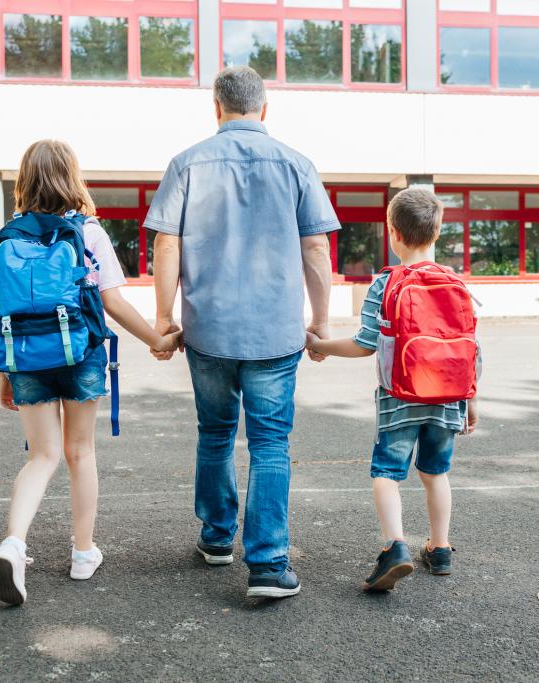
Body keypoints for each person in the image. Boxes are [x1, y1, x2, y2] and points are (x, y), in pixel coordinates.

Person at [144, 67, 339, 599]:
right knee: (270, 443)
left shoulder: (187, 163)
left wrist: (164, 319)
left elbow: (166, 244)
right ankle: (270, 564)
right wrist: (319, 323)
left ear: (216, 108)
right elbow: (317, 248)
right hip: (275, 334)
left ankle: (215, 538)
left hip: (208, 330)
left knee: (215, 433)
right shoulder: (298, 165)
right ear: (265, 108)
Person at [0, 140, 182, 606]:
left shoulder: (8, 236)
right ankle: (82, 552)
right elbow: (114, 301)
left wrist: (4, 374)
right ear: (73, 177)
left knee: (42, 456)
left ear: (24, 180)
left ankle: (13, 544)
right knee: (80, 452)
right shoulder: (89, 232)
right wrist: (158, 339)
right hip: (81, 354)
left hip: (26, 359)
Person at [306, 188, 479, 592]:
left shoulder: (385, 283)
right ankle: (440, 548)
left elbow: (365, 343)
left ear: (393, 234)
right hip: (449, 398)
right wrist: (471, 401)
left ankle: (395, 547)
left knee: (387, 473)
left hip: (399, 398)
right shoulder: (457, 284)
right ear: (437, 234)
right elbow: (473, 349)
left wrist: (319, 346)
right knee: (436, 473)